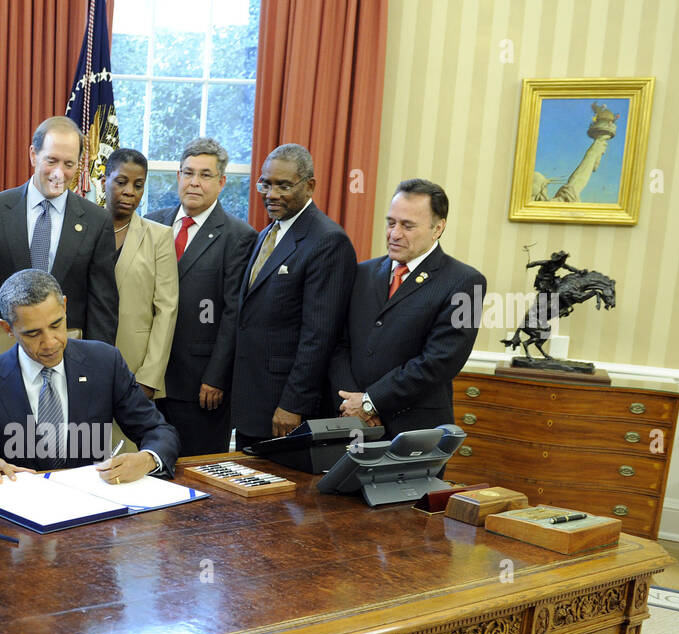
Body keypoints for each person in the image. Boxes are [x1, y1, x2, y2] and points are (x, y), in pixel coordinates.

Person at [0, 269, 180, 483]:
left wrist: (148, 459)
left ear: (64, 306)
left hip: (96, 503)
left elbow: (157, 430)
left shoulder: (104, 362)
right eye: (33, 333)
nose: (50, 342)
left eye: (56, 325)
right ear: (7, 328)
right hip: (19, 510)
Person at [330, 178, 487, 436]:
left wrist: (370, 402)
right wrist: (350, 404)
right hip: (349, 425)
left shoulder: (470, 283)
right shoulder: (362, 273)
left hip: (415, 433)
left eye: (408, 226)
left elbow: (441, 361)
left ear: (438, 228)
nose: (394, 234)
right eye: (391, 222)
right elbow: (339, 345)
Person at [231, 144, 357, 446]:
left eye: (283, 186)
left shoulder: (328, 241)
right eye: (266, 183)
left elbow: (320, 335)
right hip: (252, 398)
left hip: (284, 407)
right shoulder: (268, 233)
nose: (271, 194)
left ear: (309, 185)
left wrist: (293, 404)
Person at [0, 116, 118, 342]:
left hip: (67, 354)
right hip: (4, 350)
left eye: (69, 164)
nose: (59, 173)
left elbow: (102, 307)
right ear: (33, 155)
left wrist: (96, 365)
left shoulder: (97, 221)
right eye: (52, 161)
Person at [146, 138, 256, 457]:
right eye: (188, 172)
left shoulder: (238, 236)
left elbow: (234, 313)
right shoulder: (153, 222)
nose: (194, 182)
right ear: (178, 176)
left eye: (205, 175)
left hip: (200, 384)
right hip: (149, 378)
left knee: (197, 472)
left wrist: (216, 377)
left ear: (221, 182)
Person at [102, 148, 177, 401]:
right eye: (121, 182)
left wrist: (149, 377)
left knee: (127, 441)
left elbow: (166, 311)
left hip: (135, 368)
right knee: (85, 440)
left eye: (138, 185)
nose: (130, 192)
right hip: (84, 362)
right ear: (105, 181)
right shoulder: (83, 229)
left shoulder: (159, 236)